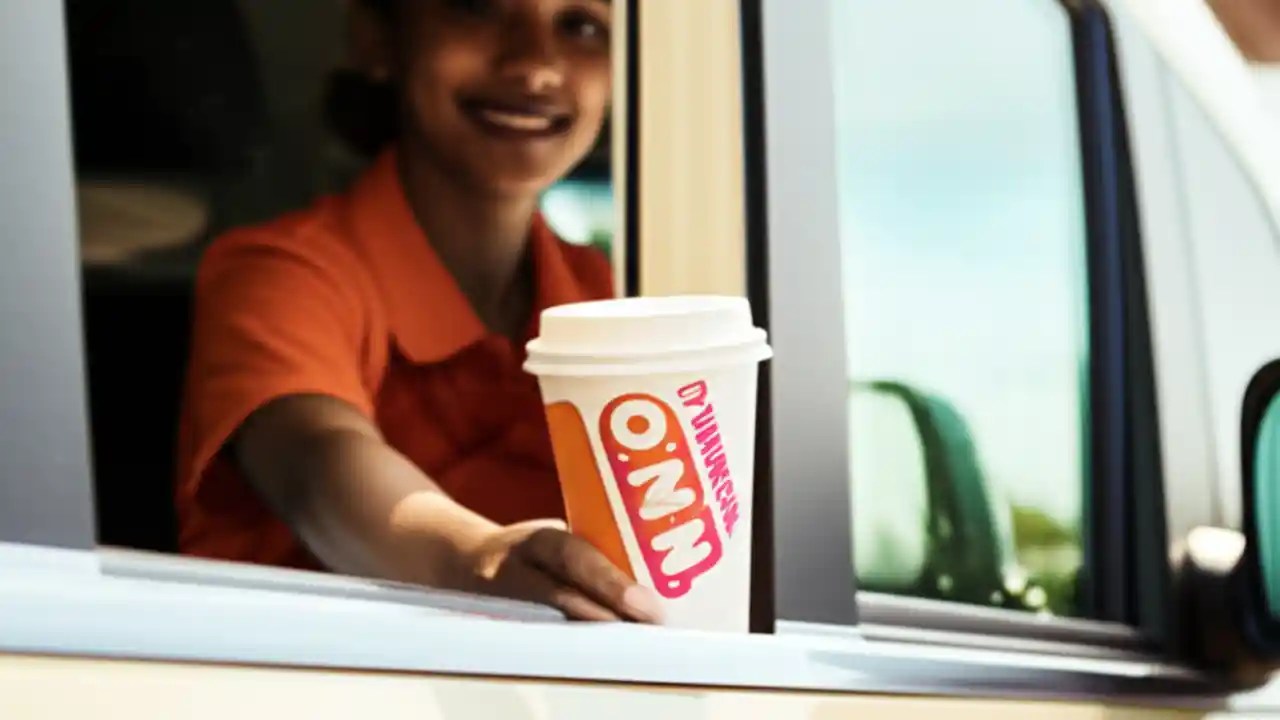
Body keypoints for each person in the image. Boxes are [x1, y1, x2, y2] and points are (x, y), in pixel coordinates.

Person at [175, 0, 662, 624]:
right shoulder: (283, 269)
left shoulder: (605, 298)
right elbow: (318, 463)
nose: (537, 66)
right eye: (480, 10)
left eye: (582, 26)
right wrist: (475, 558)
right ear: (379, 39)